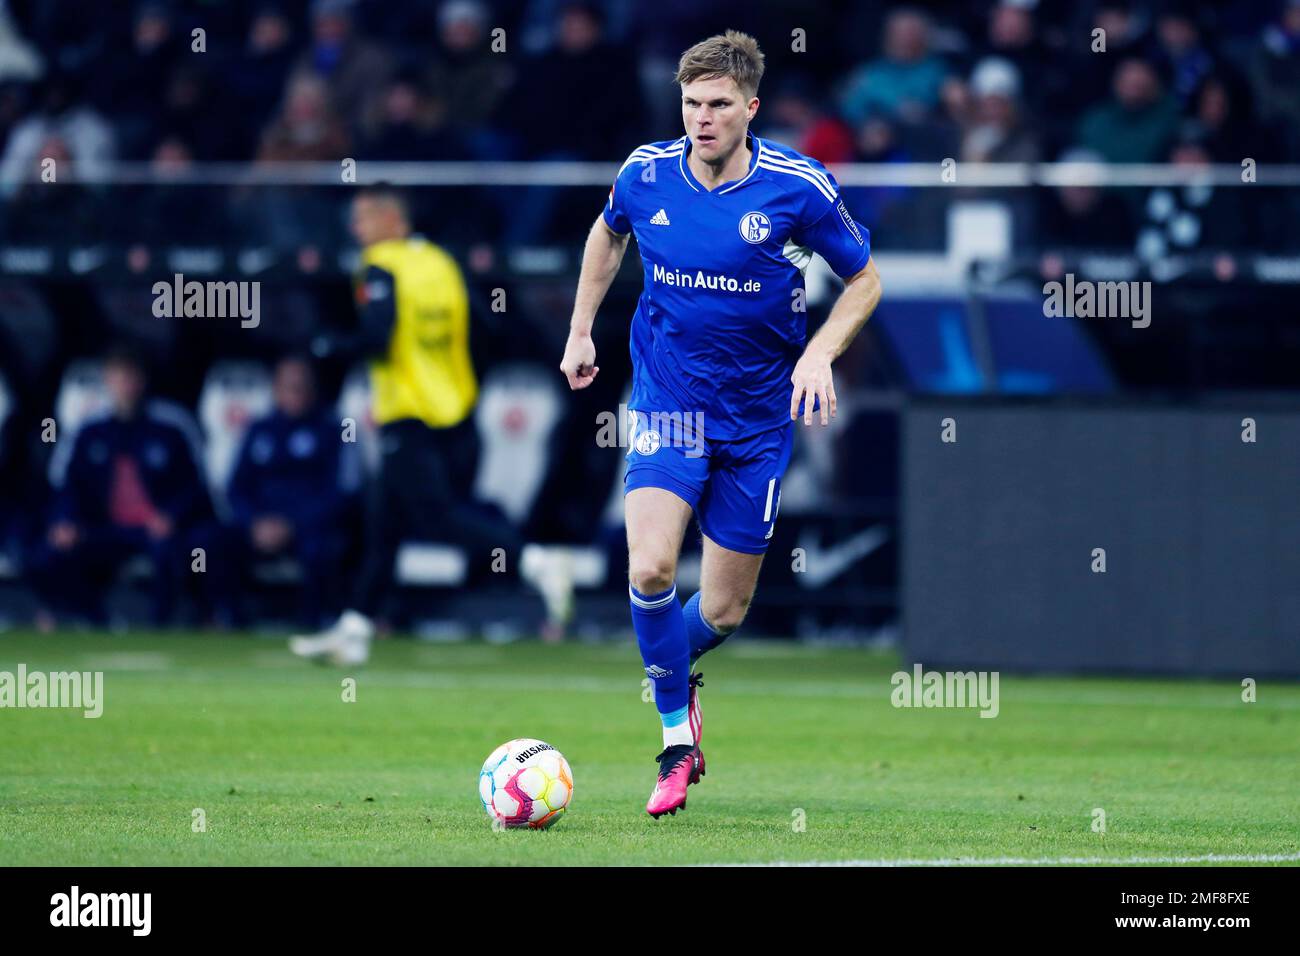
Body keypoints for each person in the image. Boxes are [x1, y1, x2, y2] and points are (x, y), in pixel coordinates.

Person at [559, 32, 882, 818]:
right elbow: (609, 232)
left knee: (724, 610)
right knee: (649, 570)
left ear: (751, 109)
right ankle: (676, 744)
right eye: (691, 104)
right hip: (668, 405)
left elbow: (865, 279)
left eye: (717, 106)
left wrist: (820, 355)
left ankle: (669, 666)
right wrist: (580, 328)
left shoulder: (796, 187)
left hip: (759, 420)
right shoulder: (646, 173)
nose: (701, 119)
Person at [290, 185, 569, 665]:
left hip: (408, 412)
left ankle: (537, 562)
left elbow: (378, 337)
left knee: (435, 516)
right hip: (456, 413)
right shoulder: (440, 263)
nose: (356, 230)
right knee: (384, 523)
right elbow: (485, 326)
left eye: (363, 219)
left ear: (391, 221)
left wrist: (325, 346)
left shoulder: (381, 265)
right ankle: (354, 630)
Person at [31, 346, 225, 627]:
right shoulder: (88, 430)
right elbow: (68, 486)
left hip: (157, 529)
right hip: (106, 528)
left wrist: (172, 515)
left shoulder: (172, 424)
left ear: (142, 379)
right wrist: (65, 521)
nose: (125, 384)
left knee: (176, 550)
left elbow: (199, 485)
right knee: (49, 553)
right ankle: (91, 621)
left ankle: (164, 625)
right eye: (117, 376)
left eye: (130, 376)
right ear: (107, 380)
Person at [227, 354, 349, 628]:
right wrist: (253, 522)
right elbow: (236, 486)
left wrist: (292, 525)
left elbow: (338, 492)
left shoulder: (333, 430)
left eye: (302, 386)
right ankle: (229, 621)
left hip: (308, 527)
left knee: (321, 550)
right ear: (276, 390)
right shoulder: (259, 429)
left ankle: (313, 623)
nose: (296, 393)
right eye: (289, 386)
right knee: (212, 543)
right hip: (259, 525)